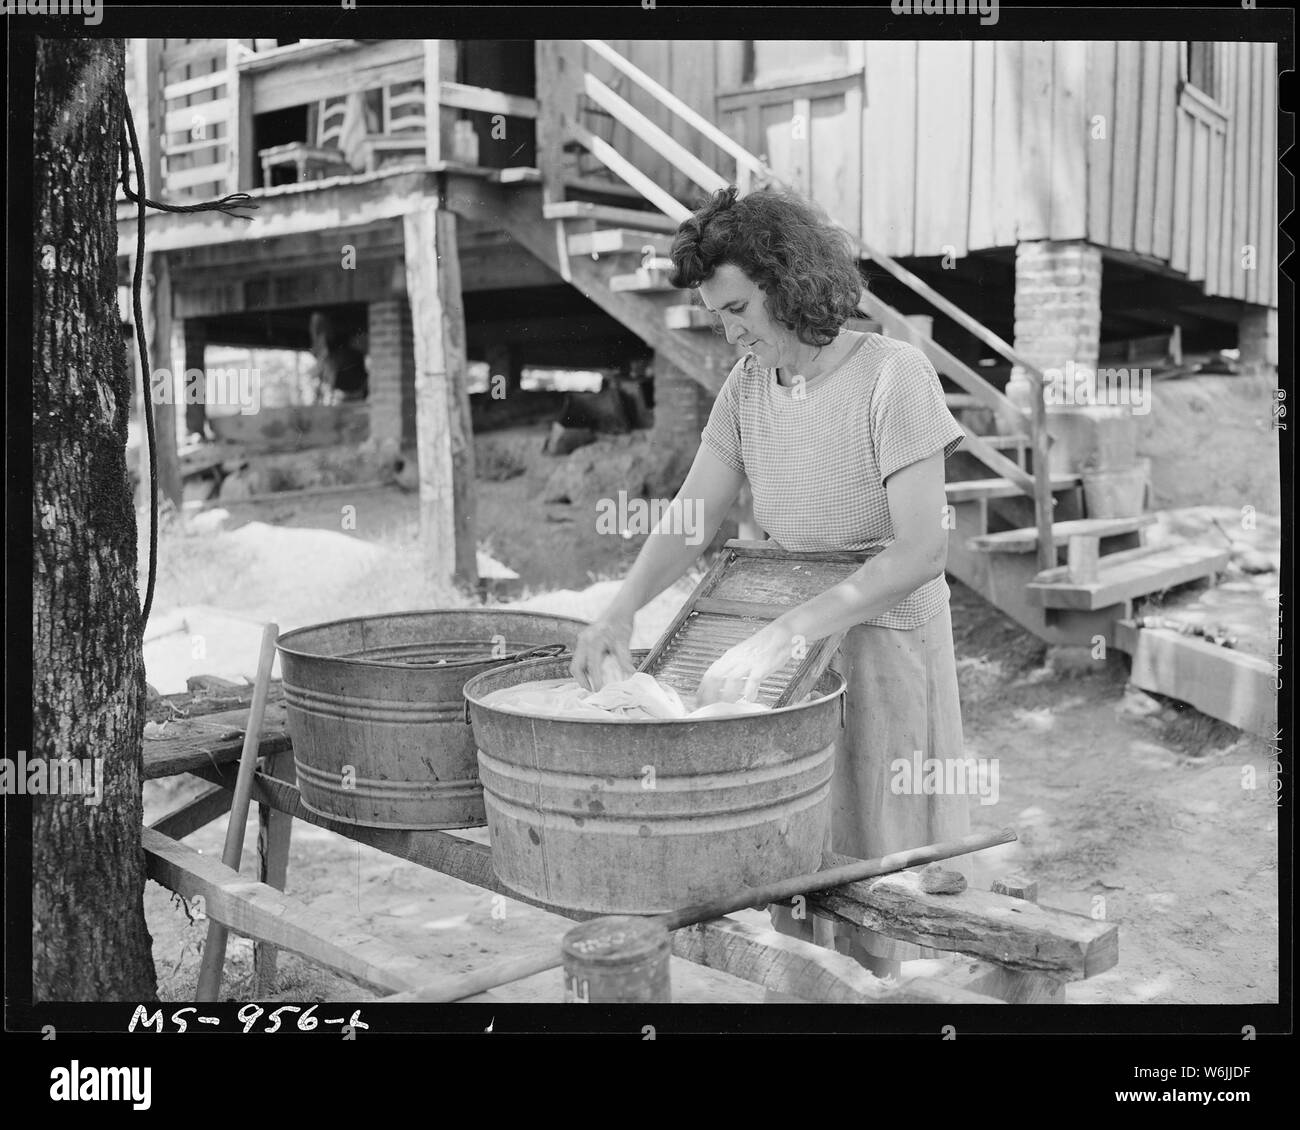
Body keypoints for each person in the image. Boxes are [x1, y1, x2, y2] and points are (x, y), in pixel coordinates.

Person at [569, 185, 972, 986]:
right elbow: (693, 518)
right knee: (799, 865)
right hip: (791, 663)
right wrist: (619, 611)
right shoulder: (749, 389)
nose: (728, 330)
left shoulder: (895, 376)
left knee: (885, 873)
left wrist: (793, 627)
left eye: (738, 307)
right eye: (717, 313)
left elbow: (921, 551)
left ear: (788, 281)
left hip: (884, 650)